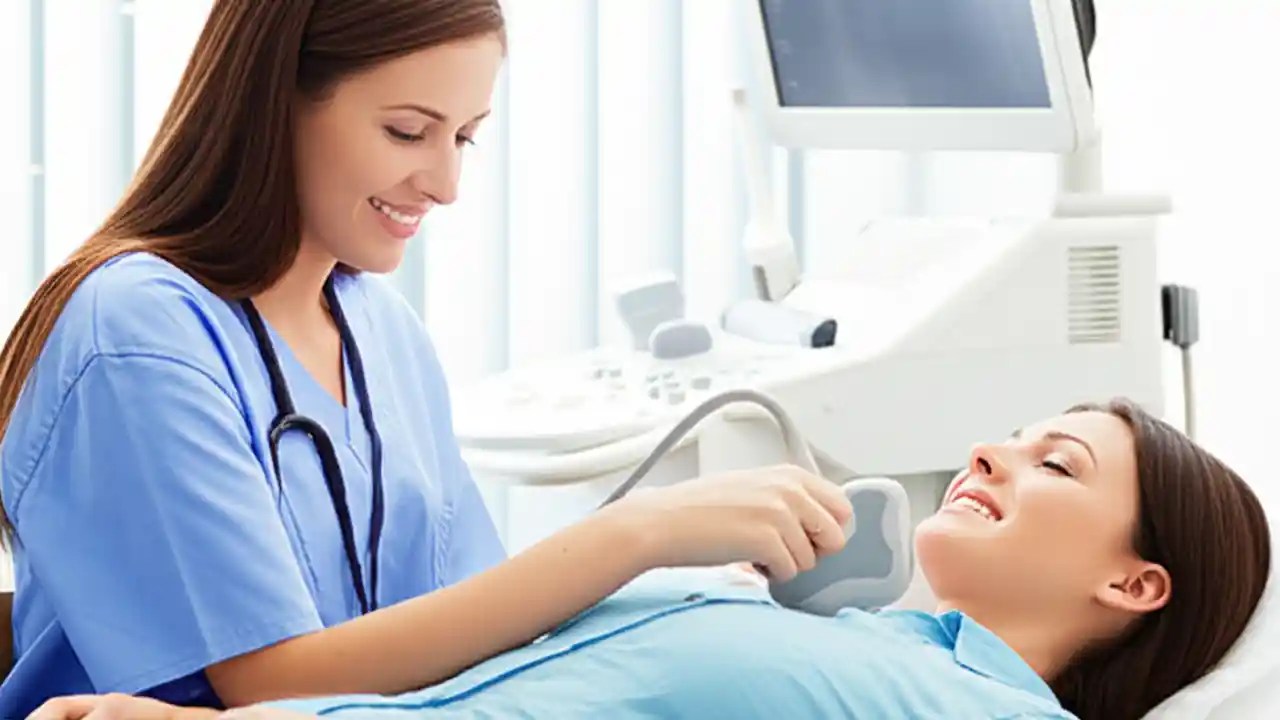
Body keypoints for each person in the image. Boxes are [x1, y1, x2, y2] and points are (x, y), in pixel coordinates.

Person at [0, 1, 857, 716]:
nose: (445, 184)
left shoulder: (384, 335)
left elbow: (473, 646)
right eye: (409, 132)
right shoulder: (137, 330)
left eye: (466, 138)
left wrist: (682, 594)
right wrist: (641, 534)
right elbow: (277, 689)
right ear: (275, 102)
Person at [29, 399, 1273, 720]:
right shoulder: (865, 643)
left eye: (1054, 464)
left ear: (1134, 584)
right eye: (1010, 435)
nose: (991, 454)